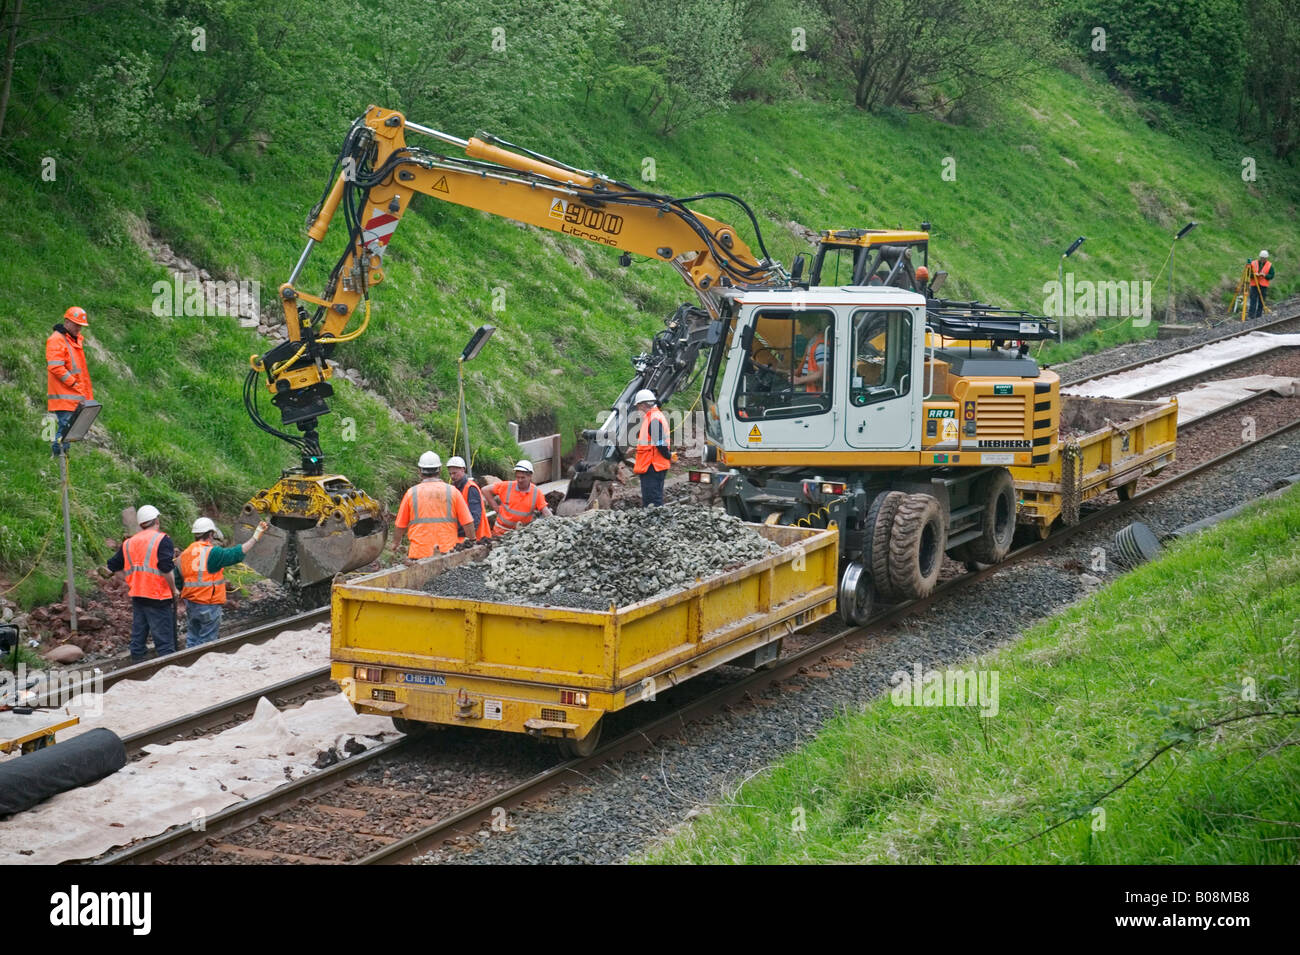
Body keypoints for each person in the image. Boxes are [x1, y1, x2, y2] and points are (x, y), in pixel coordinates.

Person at [178, 517, 269, 647]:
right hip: (208, 605)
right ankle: (203, 665)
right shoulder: (212, 552)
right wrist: (255, 536)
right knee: (206, 643)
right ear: (211, 534)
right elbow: (235, 553)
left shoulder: (185, 553)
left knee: (192, 639)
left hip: (191, 605)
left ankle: (189, 663)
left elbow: (179, 578)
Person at [104, 505, 179, 662]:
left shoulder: (129, 543)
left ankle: (137, 670)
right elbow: (166, 569)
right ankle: (170, 673)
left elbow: (112, 566)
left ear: (141, 524)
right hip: (158, 596)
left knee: (138, 639)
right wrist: (174, 590)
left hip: (138, 595)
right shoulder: (162, 540)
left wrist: (128, 579)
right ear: (157, 521)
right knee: (165, 643)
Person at [392, 452, 476, 559]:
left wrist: (395, 544)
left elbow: (400, 526)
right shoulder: (452, 491)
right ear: (440, 470)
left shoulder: (411, 493)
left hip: (419, 553)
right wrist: (472, 540)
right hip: (448, 551)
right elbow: (468, 522)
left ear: (420, 471)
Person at [46, 306, 94, 456]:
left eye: (80, 325)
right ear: (67, 322)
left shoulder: (74, 341)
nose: (79, 328)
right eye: (76, 324)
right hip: (64, 395)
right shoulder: (57, 340)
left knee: (67, 428)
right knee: (65, 428)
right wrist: (73, 383)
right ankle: (58, 457)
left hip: (73, 395)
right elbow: (55, 367)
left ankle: (62, 458)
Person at [483, 460, 552, 536]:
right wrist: (496, 508)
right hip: (500, 532)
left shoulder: (536, 493)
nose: (520, 480)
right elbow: (485, 490)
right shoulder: (507, 486)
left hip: (521, 534)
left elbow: (545, 511)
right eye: (518, 477)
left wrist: (555, 522)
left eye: (523, 477)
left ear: (530, 476)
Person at [632, 389, 672, 507]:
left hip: (652, 466)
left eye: (638, 407)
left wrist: (668, 455)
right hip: (654, 465)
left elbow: (660, 442)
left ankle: (655, 524)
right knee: (654, 499)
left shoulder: (653, 419)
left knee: (652, 501)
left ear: (643, 405)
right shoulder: (655, 416)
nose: (638, 410)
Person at [447, 455, 490, 541]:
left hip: (478, 539)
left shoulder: (470, 488)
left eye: (454, 473)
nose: (452, 476)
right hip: (464, 538)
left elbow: (475, 519)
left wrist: (458, 532)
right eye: (450, 473)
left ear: (463, 470)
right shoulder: (455, 488)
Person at [793, 315, 829, 393]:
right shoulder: (812, 344)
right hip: (809, 388)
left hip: (814, 392)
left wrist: (799, 380)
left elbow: (822, 373)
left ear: (812, 327)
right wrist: (779, 371)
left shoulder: (821, 347)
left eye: (803, 327)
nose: (800, 330)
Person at [1248, 250, 1275, 319]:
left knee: (1261, 301)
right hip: (1254, 284)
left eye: (1264, 258)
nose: (1263, 259)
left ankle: (1258, 316)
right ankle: (1251, 315)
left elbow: (1271, 275)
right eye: (1262, 258)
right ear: (1260, 257)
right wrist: (1254, 275)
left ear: (1266, 258)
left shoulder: (1269, 265)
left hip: (1263, 285)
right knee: (1253, 300)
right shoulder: (1254, 263)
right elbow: (1248, 274)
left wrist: (1265, 275)